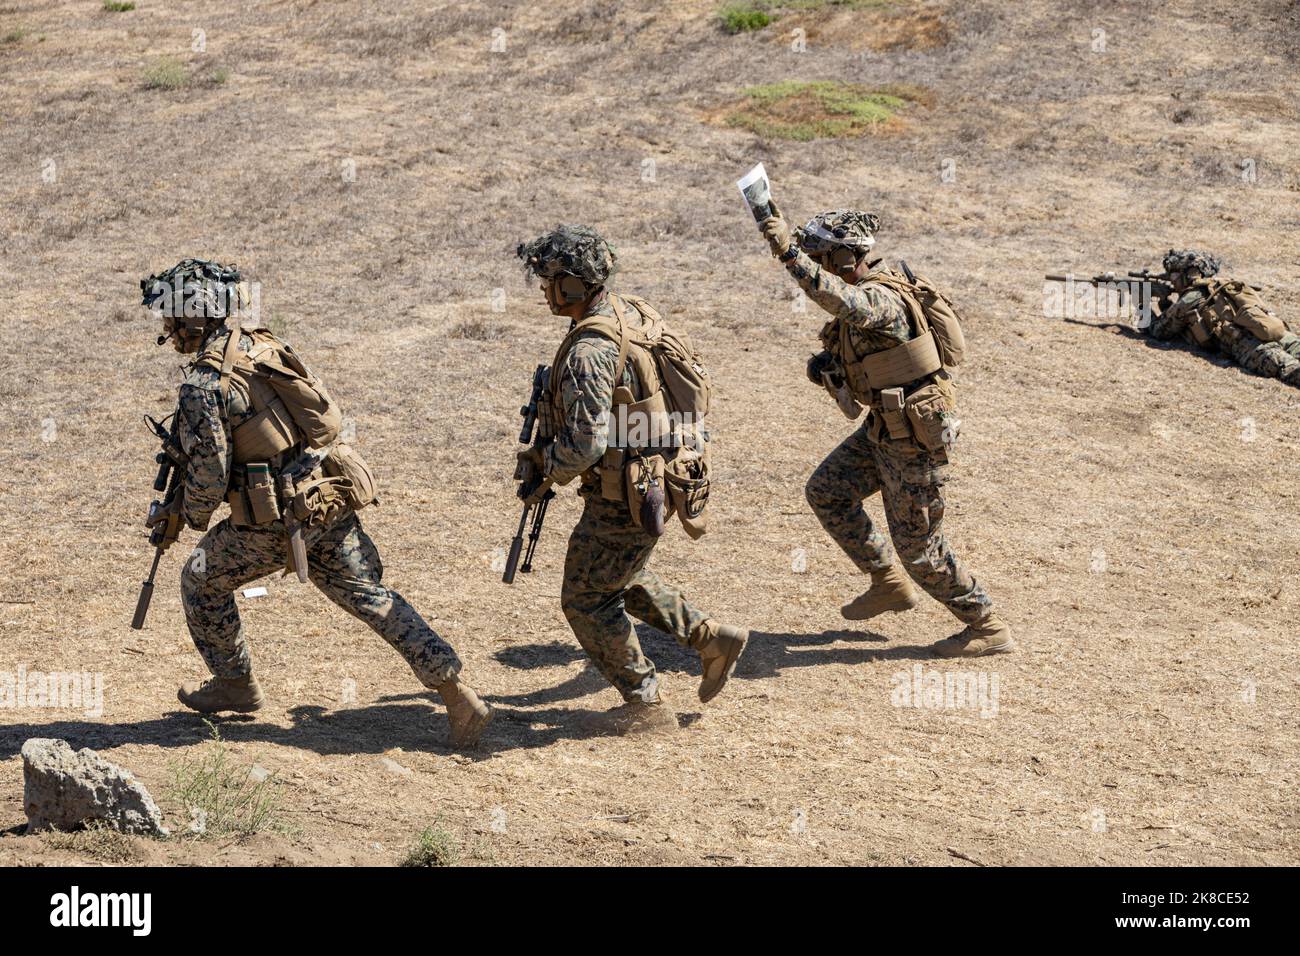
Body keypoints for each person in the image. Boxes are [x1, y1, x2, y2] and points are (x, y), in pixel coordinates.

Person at [140, 258, 491, 747]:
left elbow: (209, 477)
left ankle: (236, 684)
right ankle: (458, 694)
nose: (165, 327)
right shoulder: (261, 345)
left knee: (200, 578)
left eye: (169, 317)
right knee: (370, 597)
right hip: (324, 497)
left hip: (273, 519)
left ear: (190, 319)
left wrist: (182, 517)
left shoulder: (202, 386)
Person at [514, 226, 748, 733]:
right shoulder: (631, 312)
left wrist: (544, 468)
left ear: (575, 286)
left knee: (586, 597)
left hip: (625, 493)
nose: (543, 290)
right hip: (654, 476)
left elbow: (585, 444)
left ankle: (645, 704)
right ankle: (712, 639)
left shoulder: (587, 353)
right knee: (619, 572)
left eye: (550, 280)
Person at [757, 207, 1011, 657]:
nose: (815, 261)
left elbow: (838, 300)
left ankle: (985, 624)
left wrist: (788, 254)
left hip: (912, 443)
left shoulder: (879, 299)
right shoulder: (871, 290)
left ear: (841, 257)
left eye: (820, 255)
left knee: (920, 550)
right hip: (884, 429)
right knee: (828, 490)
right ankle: (886, 581)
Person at [1147, 249, 1300, 387]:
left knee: (1291, 370)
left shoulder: (1191, 298)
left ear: (1187, 274)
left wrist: (1140, 304)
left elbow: (1159, 331)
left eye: (1173, 274)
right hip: (1276, 332)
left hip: (1248, 345)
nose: (1171, 278)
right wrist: (1165, 303)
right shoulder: (1222, 285)